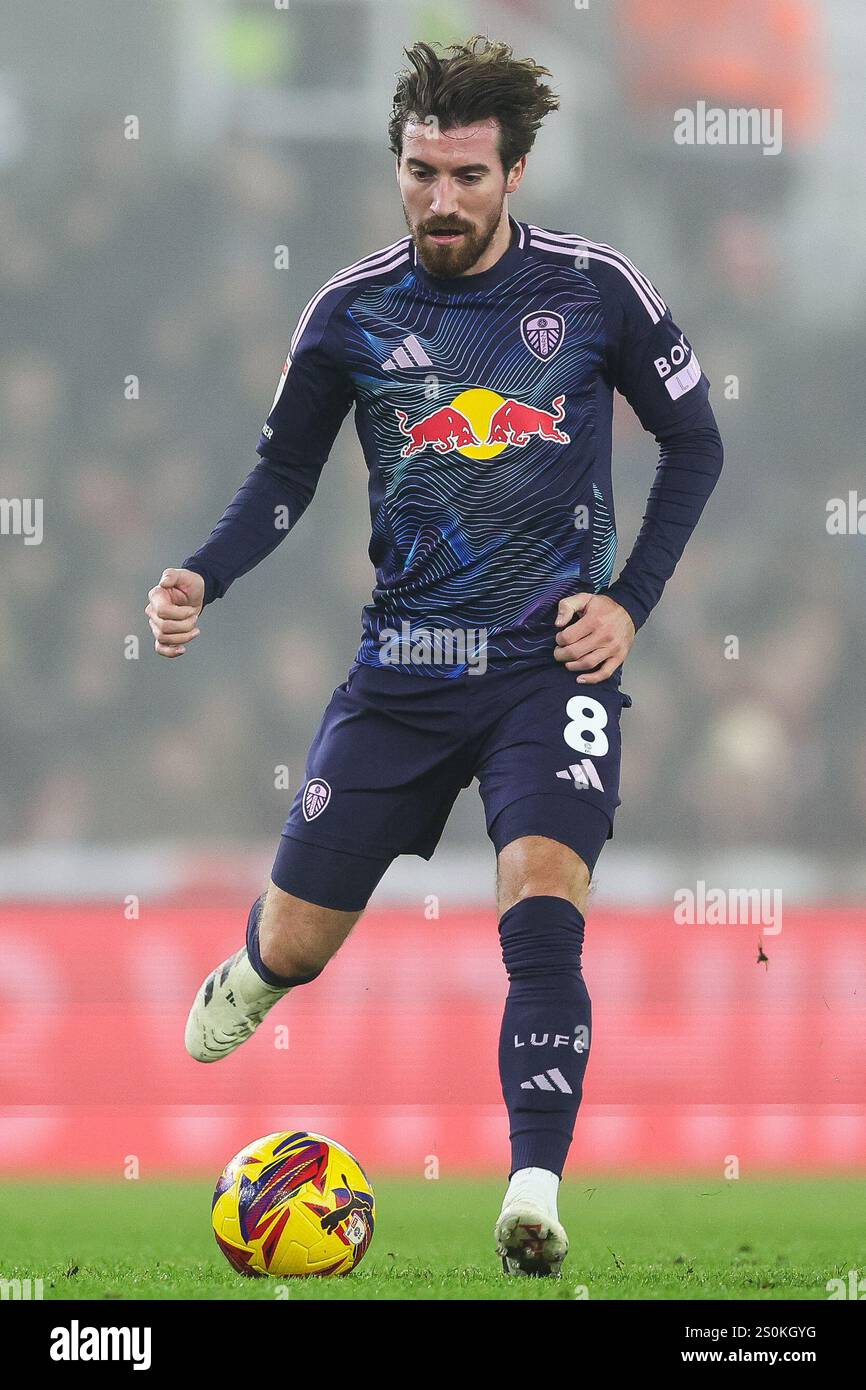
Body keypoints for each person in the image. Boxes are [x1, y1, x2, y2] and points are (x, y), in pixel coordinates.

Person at [146, 36, 723, 1277]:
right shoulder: (351, 311)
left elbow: (696, 444)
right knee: (299, 946)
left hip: (546, 669)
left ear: (514, 172)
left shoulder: (594, 290)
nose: (439, 200)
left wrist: (628, 602)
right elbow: (282, 477)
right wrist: (204, 571)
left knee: (541, 905)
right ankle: (255, 963)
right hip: (400, 673)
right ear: (396, 166)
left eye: (466, 176)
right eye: (419, 173)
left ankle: (530, 1188)